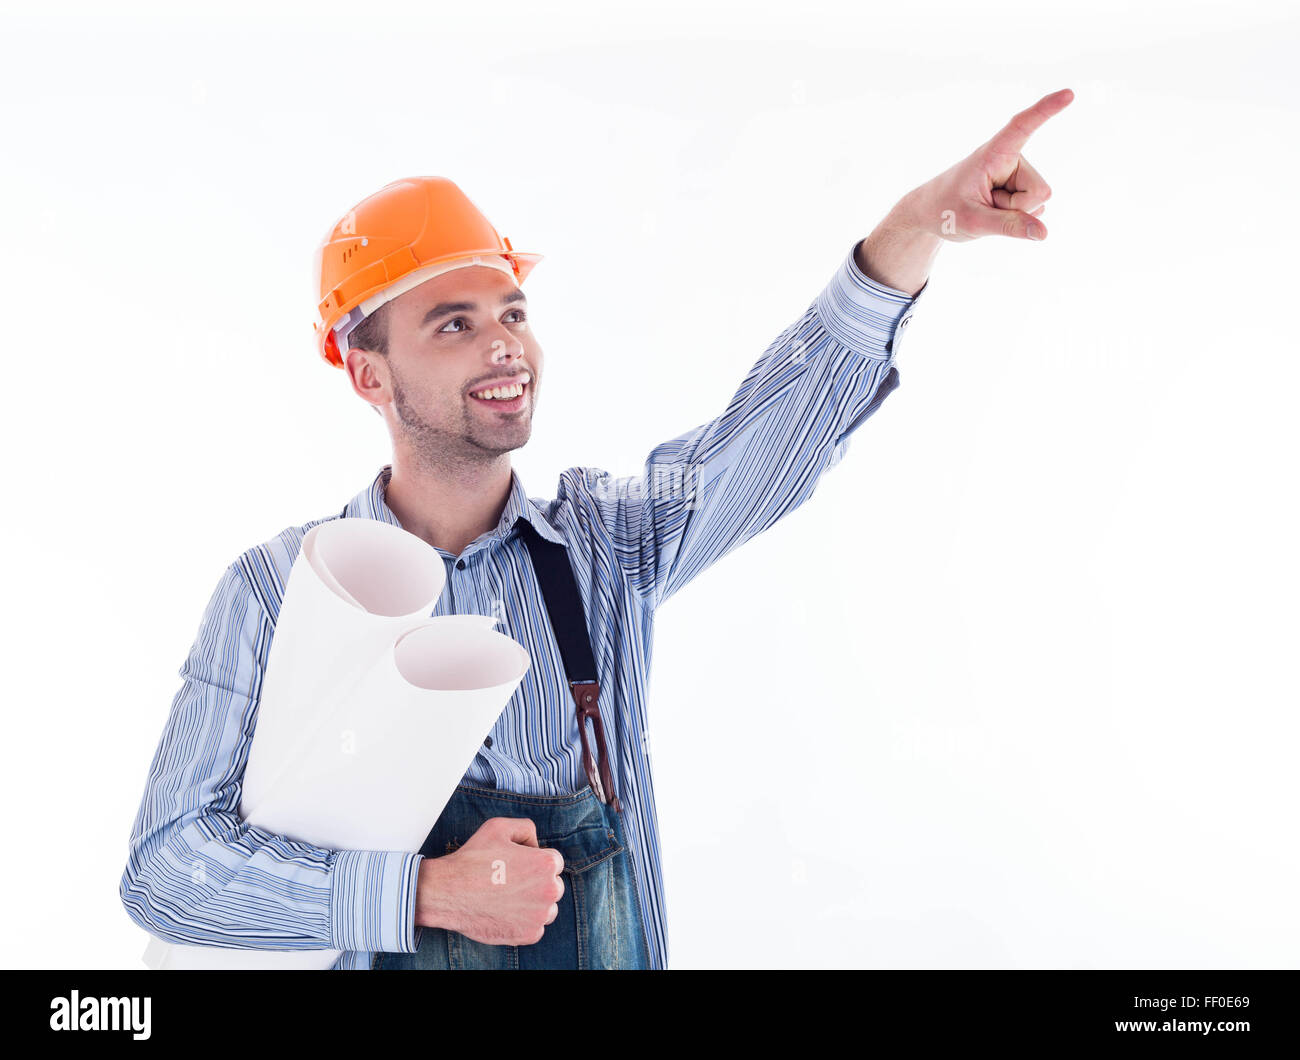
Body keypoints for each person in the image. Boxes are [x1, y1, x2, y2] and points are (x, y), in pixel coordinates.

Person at [120, 89, 1073, 970]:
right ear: (369, 375)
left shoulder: (601, 551)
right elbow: (168, 870)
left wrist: (911, 231)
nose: (505, 343)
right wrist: (422, 893)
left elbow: (768, 440)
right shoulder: (280, 591)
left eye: (513, 311)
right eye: (452, 324)